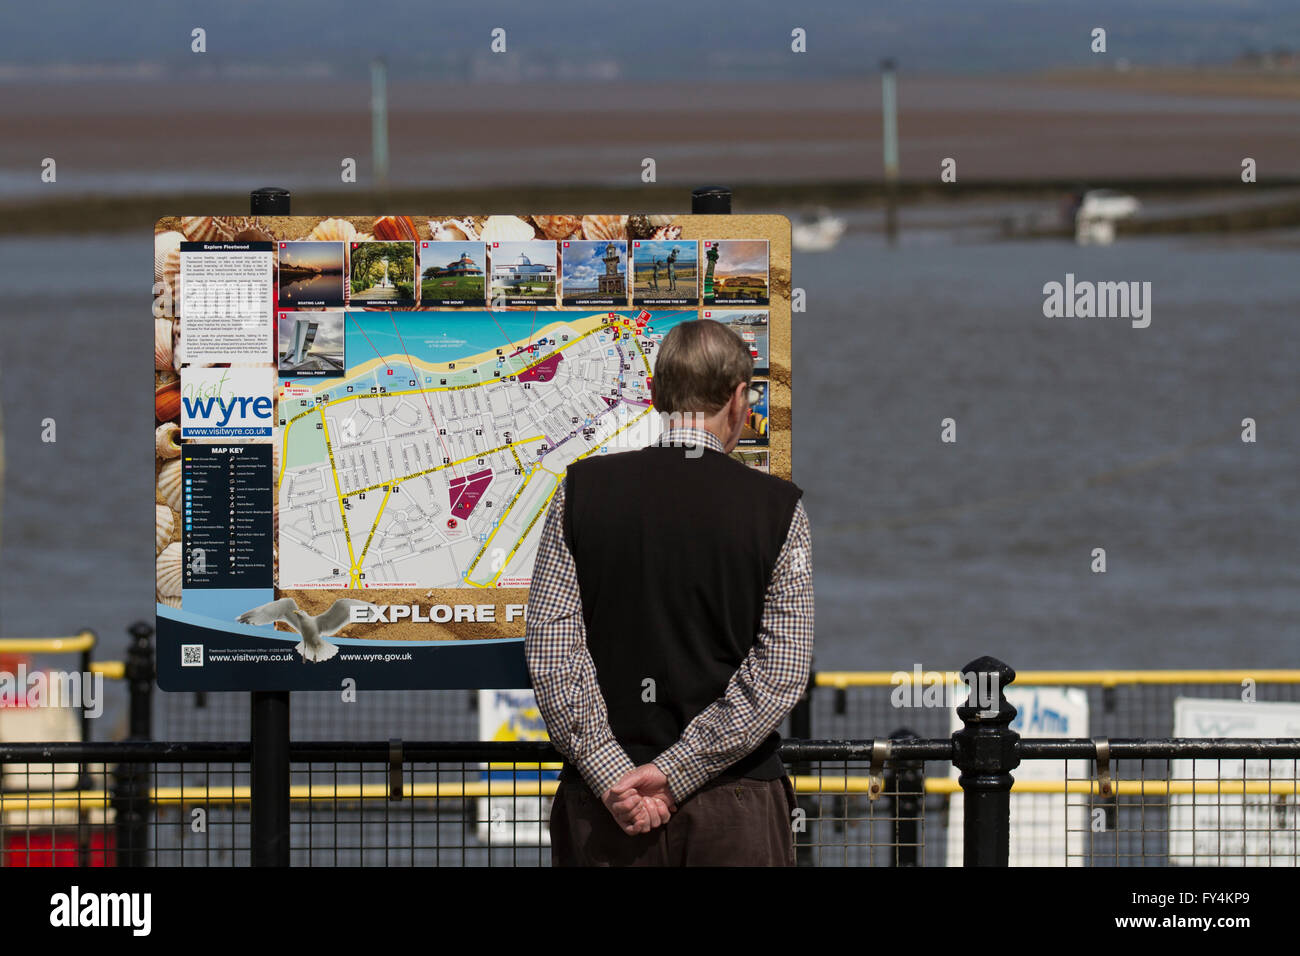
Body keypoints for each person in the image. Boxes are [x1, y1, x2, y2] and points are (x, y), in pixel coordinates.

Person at [525, 318, 814, 866]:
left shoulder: (580, 492)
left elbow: (553, 654)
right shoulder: (778, 509)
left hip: (604, 808)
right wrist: (675, 773)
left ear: (656, 394)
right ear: (737, 398)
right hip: (736, 804)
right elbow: (781, 671)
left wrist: (616, 775)